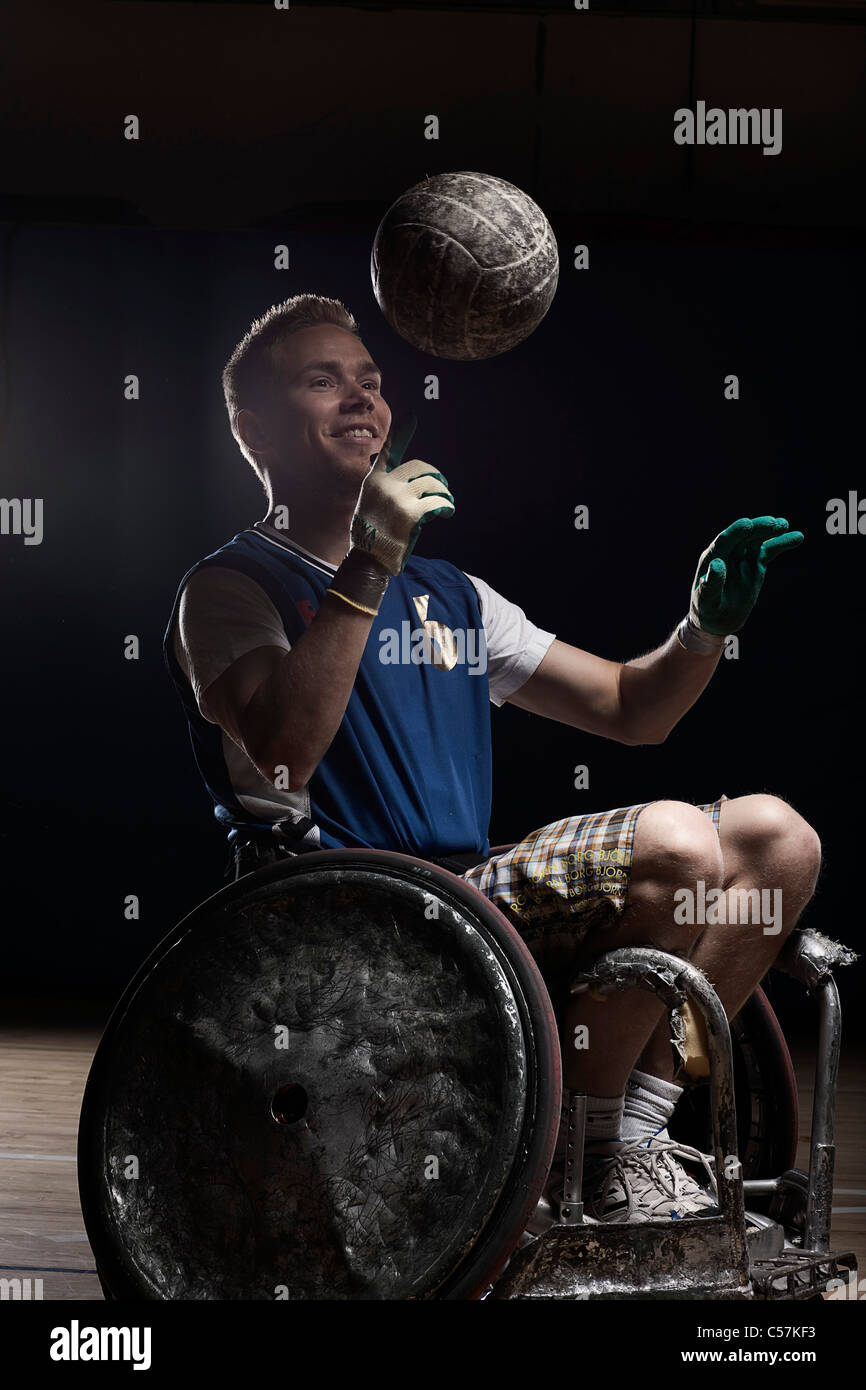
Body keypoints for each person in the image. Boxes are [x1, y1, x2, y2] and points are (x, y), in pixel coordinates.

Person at [164, 293, 821, 1225]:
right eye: (322, 382)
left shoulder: (454, 595)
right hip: (340, 921)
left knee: (775, 839)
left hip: (469, 897)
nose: (361, 401)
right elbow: (284, 748)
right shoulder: (229, 588)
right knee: (677, 844)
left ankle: (628, 1134)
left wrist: (701, 629)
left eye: (370, 382)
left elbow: (633, 708)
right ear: (252, 429)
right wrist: (369, 563)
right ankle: (594, 1153)